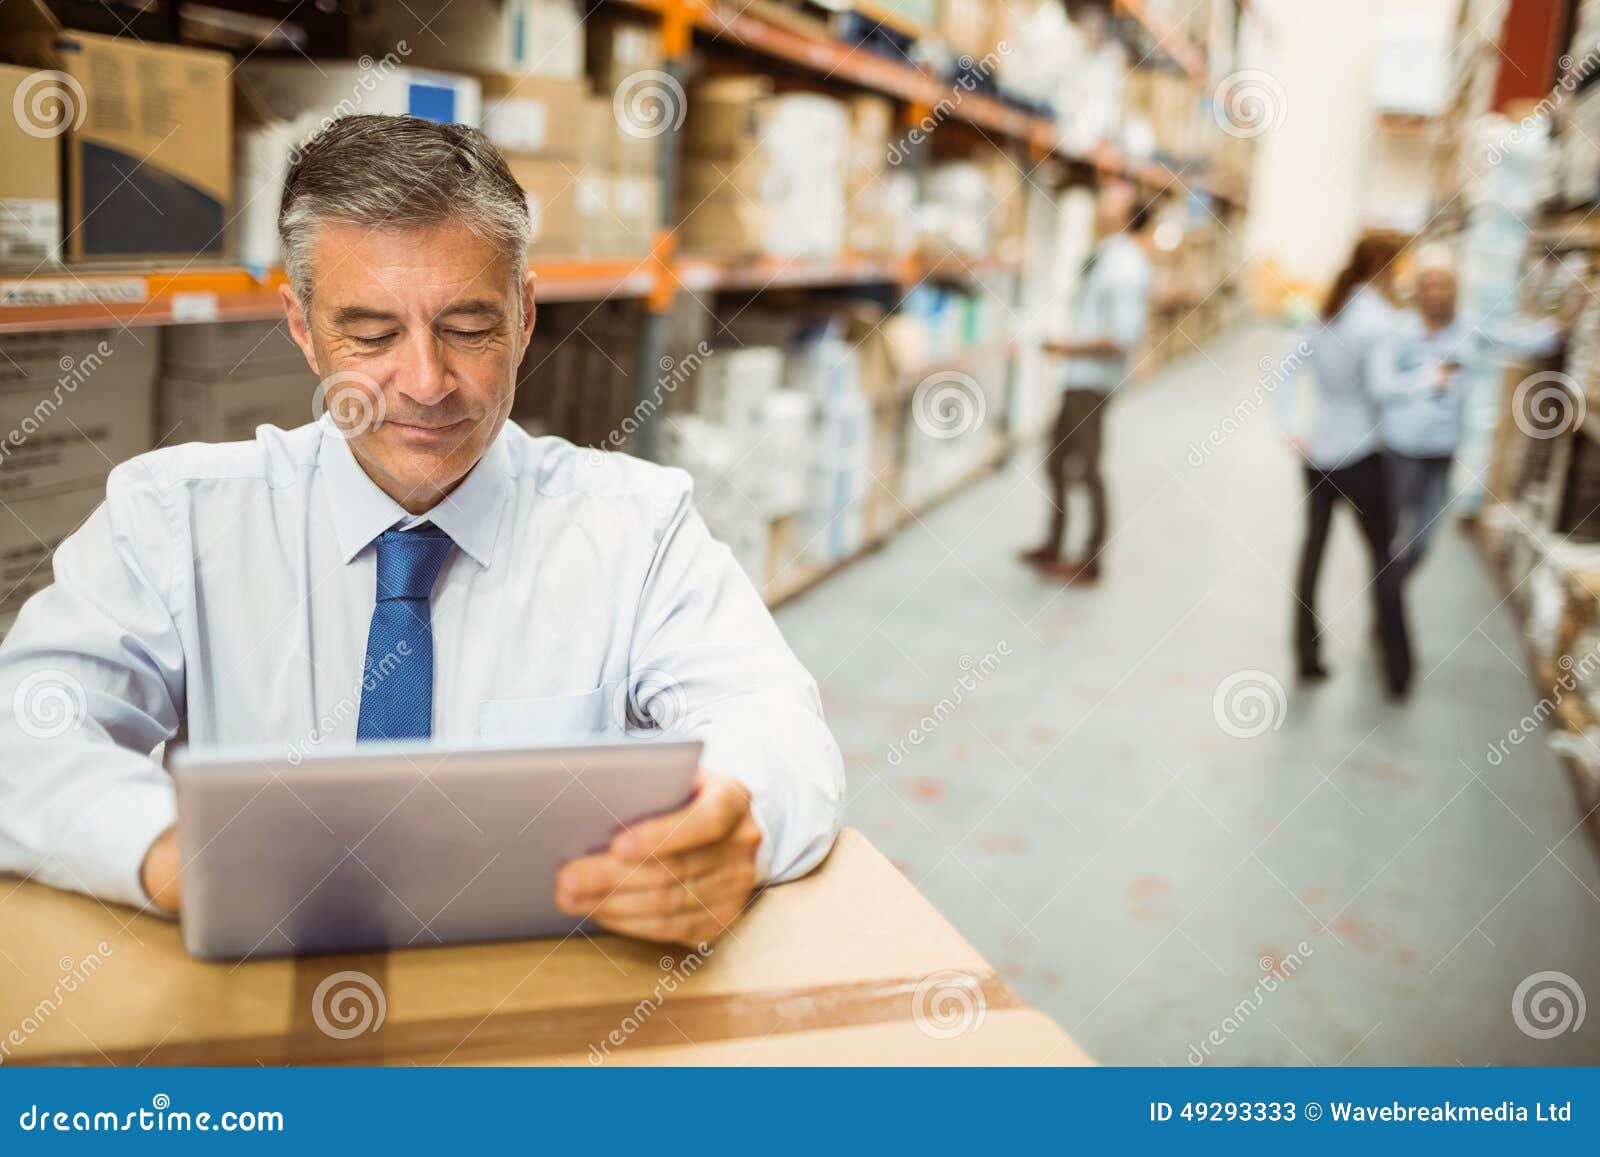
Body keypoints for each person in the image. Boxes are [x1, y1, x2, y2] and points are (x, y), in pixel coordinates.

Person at [0, 115, 844, 948]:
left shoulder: (638, 527)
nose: (426, 382)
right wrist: (170, 852)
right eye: (371, 334)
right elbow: (23, 730)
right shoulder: (175, 519)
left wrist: (737, 822)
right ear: (301, 325)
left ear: (524, 314)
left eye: (468, 329)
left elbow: (773, 722)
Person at [1273, 232, 1412, 697]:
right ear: (1386, 266)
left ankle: (1306, 656)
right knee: (1383, 559)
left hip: (1319, 452)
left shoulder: (1328, 310)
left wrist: (1290, 424)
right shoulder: (1382, 321)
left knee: (1312, 552)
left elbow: (1284, 367)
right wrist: (1427, 381)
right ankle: (1397, 666)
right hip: (1364, 453)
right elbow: (1383, 388)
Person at [1371, 261, 1566, 581]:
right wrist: (1427, 379)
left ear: (1456, 290)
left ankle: (1392, 586)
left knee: (1424, 537)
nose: (1437, 294)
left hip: (1443, 447)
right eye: (1429, 286)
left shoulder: (1468, 328)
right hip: (1402, 447)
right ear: (1418, 292)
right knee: (1389, 529)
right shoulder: (1400, 332)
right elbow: (1382, 386)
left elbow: (1516, 339)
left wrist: (1561, 325)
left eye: (1444, 286)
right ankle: (1387, 594)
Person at [1019, 179, 1154, 584]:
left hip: (1093, 381)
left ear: (1129, 214)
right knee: (1056, 462)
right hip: (1077, 377)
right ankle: (1055, 544)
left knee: (1088, 467)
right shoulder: (1107, 254)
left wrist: (1067, 347)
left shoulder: (1126, 266)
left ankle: (1091, 560)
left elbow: (1121, 338)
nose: (1103, 201)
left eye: (1114, 198)